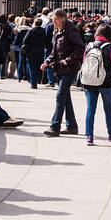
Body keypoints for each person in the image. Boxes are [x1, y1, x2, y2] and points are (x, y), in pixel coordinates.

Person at [42, 8, 86, 136]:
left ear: (62, 18)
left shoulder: (71, 30)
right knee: (65, 97)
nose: (53, 21)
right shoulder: (57, 30)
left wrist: (67, 61)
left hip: (69, 68)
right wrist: (47, 61)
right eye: (52, 19)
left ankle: (54, 127)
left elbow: (80, 48)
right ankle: (72, 126)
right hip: (59, 68)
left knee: (60, 96)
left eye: (55, 19)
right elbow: (54, 51)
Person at [81, 24, 111, 145]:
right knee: (108, 109)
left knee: (90, 109)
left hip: (89, 82)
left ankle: (89, 136)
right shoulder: (110, 47)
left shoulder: (89, 46)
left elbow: (84, 62)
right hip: (106, 82)